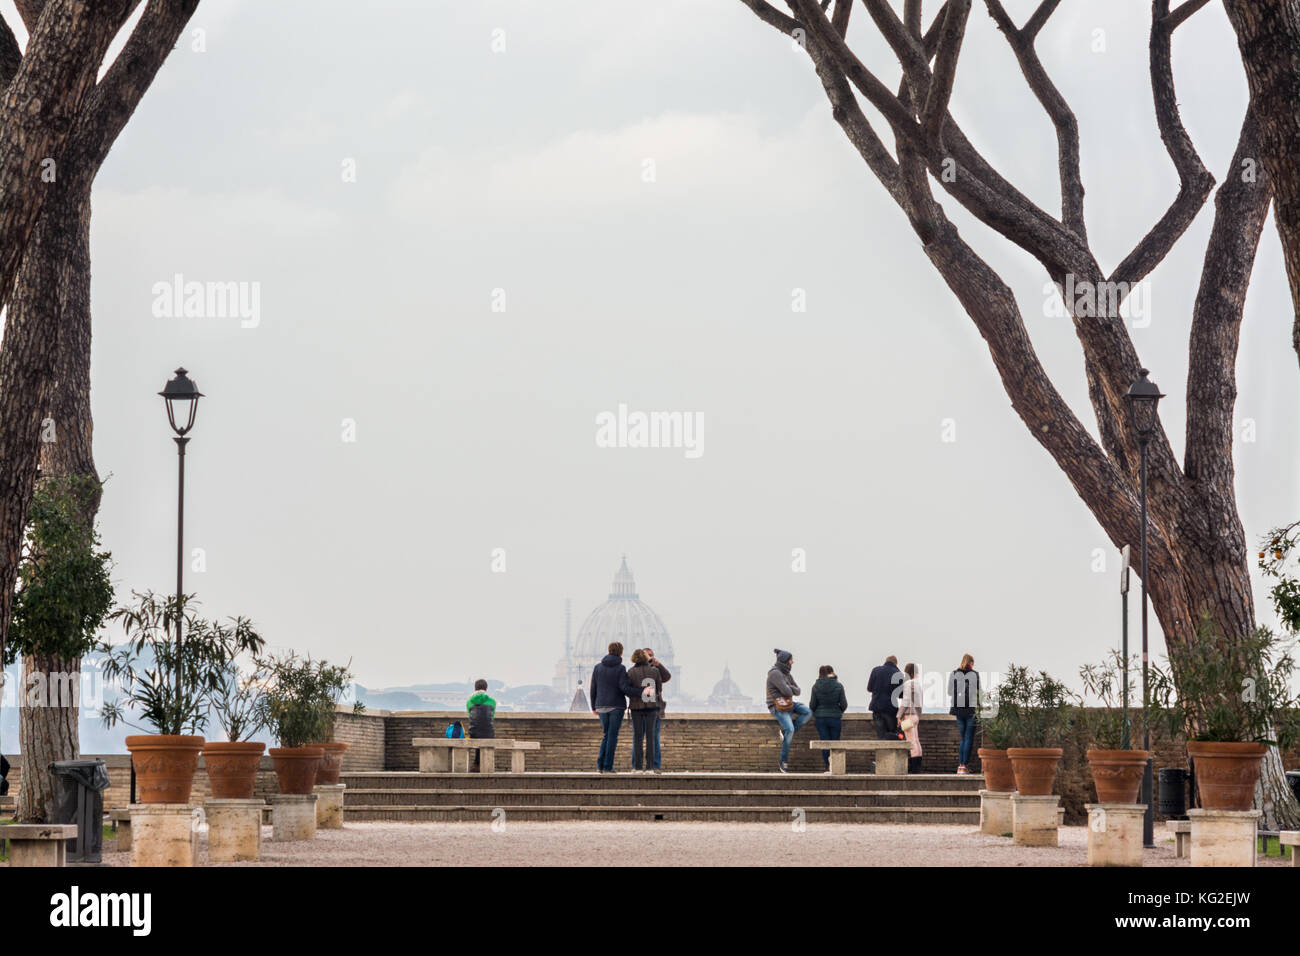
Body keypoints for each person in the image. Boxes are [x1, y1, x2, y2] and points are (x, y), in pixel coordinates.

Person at [589, 641, 637, 773]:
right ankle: (608, 766)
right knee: (612, 736)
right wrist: (640, 692)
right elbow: (624, 688)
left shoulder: (597, 667)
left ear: (609, 650)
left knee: (606, 735)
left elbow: (593, 688)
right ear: (620, 652)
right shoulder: (620, 668)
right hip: (616, 706)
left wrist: (594, 706)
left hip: (601, 705)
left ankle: (600, 765)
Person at [766, 648, 812, 773]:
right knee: (790, 729)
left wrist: (789, 687)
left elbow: (798, 691)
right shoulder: (775, 673)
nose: (793, 662)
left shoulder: (787, 674)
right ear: (785, 661)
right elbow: (787, 691)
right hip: (777, 705)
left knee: (808, 712)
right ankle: (783, 760)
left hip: (789, 703)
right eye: (791, 660)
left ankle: (785, 732)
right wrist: (789, 688)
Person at [626, 649, 663, 772]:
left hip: (636, 708)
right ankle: (650, 767)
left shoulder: (630, 672)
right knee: (651, 737)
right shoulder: (655, 671)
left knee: (637, 737)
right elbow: (658, 689)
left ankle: (637, 767)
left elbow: (628, 690)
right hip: (652, 707)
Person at [808, 665, 848, 772]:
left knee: (824, 742)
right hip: (835, 718)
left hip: (821, 719)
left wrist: (818, 712)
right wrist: (838, 711)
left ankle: (827, 764)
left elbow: (812, 705)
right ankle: (835, 765)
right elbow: (844, 704)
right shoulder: (839, 686)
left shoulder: (815, 687)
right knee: (835, 742)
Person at [948, 653, 980, 774]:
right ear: (971, 663)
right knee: (968, 738)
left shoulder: (954, 674)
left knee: (963, 738)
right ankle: (964, 765)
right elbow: (978, 692)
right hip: (971, 710)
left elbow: (949, 692)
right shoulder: (974, 674)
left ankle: (960, 766)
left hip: (958, 710)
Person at [645, 647, 671, 772]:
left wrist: (658, 665)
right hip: (642, 708)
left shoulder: (657, 670)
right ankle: (642, 765)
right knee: (639, 738)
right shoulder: (637, 670)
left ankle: (655, 765)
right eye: (647, 655)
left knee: (655, 737)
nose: (650, 658)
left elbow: (667, 677)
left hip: (655, 708)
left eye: (651, 655)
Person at [867, 655, 903, 740]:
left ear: (885, 661)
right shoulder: (897, 673)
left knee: (881, 735)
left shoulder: (875, 670)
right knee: (892, 734)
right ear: (896, 663)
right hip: (890, 708)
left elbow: (869, 688)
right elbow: (901, 694)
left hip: (876, 707)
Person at [898, 662, 924, 773]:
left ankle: (914, 768)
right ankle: (918, 766)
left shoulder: (908, 684)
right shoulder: (918, 684)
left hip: (908, 715)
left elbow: (906, 700)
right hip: (916, 715)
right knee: (916, 740)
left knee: (911, 741)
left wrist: (899, 715)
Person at [465, 678, 496, 772]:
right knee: (485, 733)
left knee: (478, 733)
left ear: (475, 688)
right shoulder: (492, 701)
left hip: (474, 732)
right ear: (486, 688)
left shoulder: (469, 701)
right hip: (489, 733)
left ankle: (477, 764)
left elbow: (470, 717)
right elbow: (492, 717)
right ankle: (482, 765)